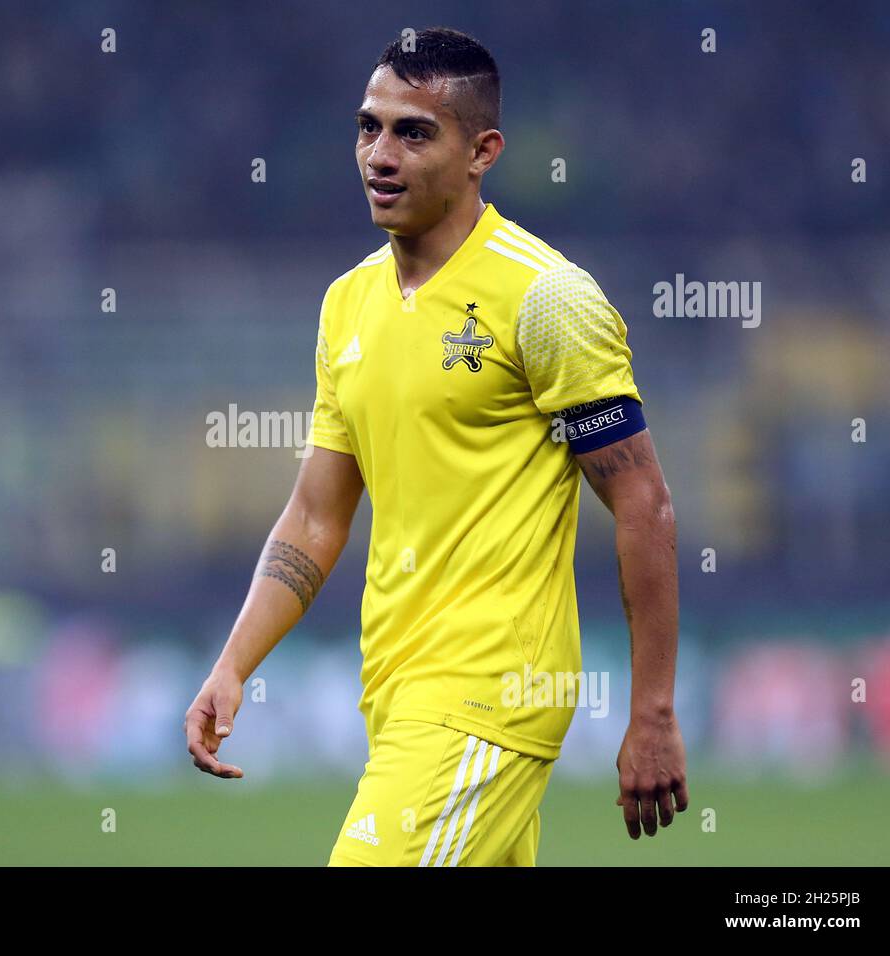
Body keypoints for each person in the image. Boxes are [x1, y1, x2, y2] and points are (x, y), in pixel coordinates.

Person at [184, 26, 688, 866]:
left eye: (414, 132)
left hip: (493, 691)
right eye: (368, 126)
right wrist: (234, 664)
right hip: (397, 694)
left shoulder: (545, 298)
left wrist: (655, 714)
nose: (381, 153)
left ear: (482, 150)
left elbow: (643, 502)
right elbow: (314, 517)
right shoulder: (347, 305)